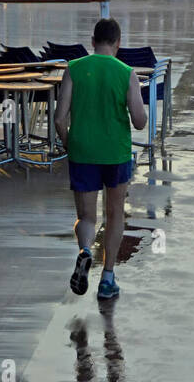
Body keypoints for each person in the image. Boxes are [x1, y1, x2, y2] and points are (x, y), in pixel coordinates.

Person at [54, 18, 148, 300]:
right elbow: (140, 121)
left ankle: (85, 252)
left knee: (85, 216)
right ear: (118, 43)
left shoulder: (74, 69)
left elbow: (59, 119)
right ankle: (107, 277)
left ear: (92, 41)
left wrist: (72, 144)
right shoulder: (126, 72)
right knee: (115, 213)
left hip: (83, 150)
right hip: (115, 152)